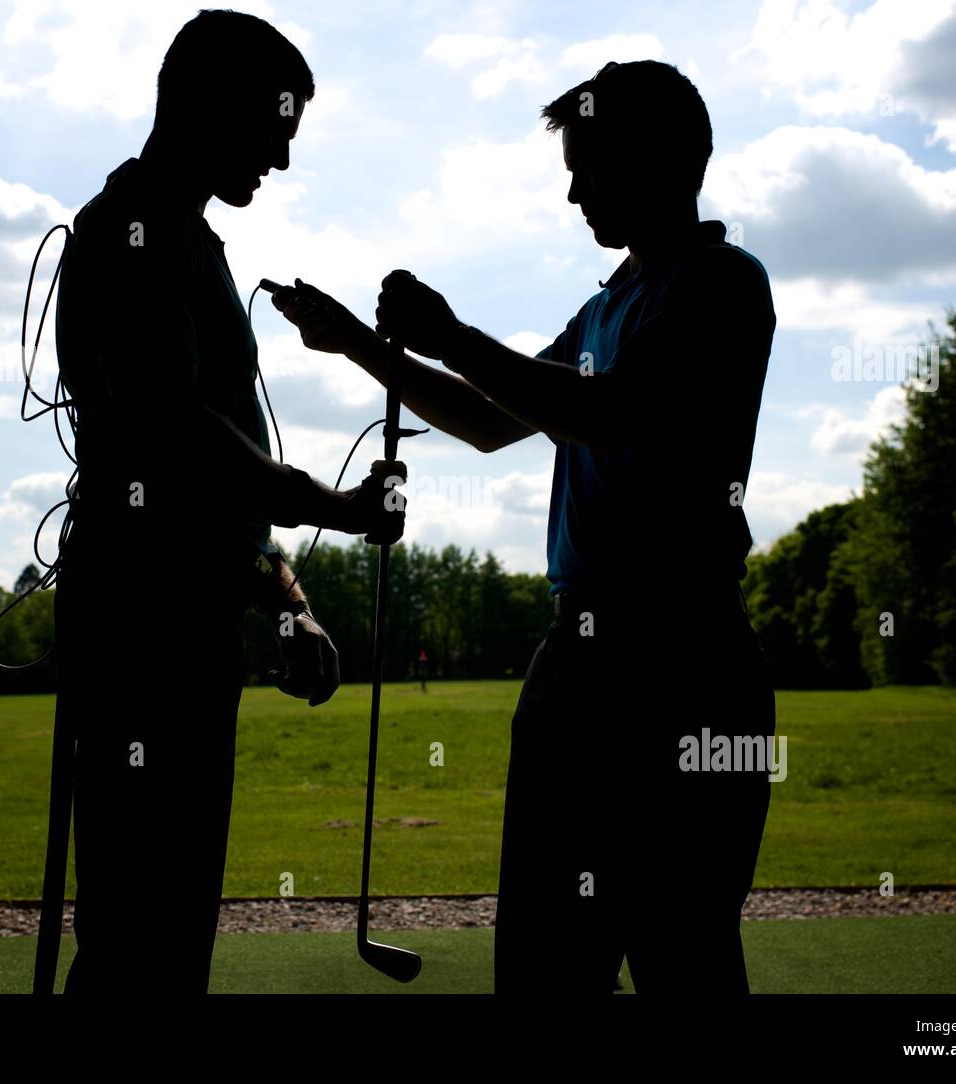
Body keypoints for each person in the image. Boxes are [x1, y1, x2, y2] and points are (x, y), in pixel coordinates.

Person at [273, 60, 776, 994]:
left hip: (686, 660)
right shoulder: (601, 306)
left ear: (664, 159)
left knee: (684, 947)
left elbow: (610, 412)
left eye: (591, 165)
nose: (576, 189)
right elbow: (492, 420)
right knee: (546, 953)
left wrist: (453, 334)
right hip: (576, 661)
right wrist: (361, 345)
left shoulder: (721, 283)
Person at [52, 10, 405, 994]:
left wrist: (287, 598)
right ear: (212, 105)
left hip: (185, 629)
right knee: (136, 937)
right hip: (138, 633)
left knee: (173, 935)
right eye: (275, 128)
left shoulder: (190, 241)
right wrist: (338, 508)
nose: (282, 159)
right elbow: (180, 439)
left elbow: (213, 501)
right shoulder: (129, 231)